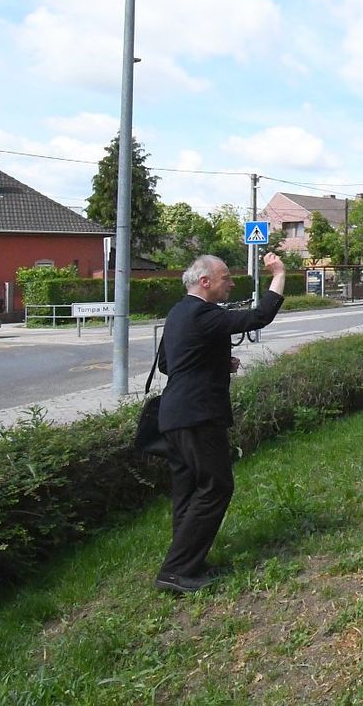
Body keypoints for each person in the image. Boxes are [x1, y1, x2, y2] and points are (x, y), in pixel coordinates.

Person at [154, 252, 287, 593]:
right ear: (205, 282)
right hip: (199, 414)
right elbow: (259, 317)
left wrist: (215, 361)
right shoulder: (204, 313)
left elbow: (169, 364)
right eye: (226, 277)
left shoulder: (178, 312)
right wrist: (278, 274)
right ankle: (175, 571)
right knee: (216, 486)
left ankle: (186, 565)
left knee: (188, 490)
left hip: (173, 415)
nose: (231, 283)